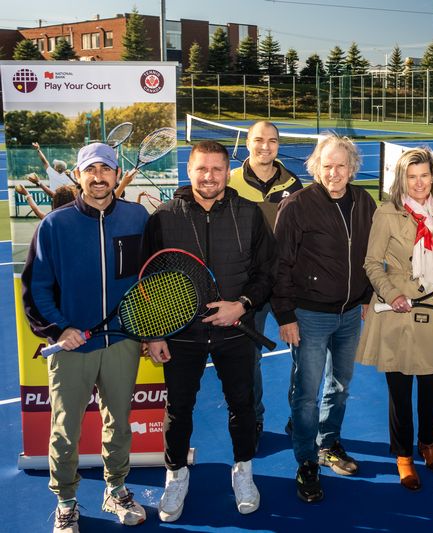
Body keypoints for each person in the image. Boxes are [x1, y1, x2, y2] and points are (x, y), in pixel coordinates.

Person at [142, 140, 275, 522]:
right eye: (202, 168)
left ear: (227, 171)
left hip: (235, 333)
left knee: (243, 406)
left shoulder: (248, 214)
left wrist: (243, 305)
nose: (209, 177)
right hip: (181, 336)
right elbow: (148, 280)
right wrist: (155, 333)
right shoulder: (164, 217)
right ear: (189, 170)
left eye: (217, 169)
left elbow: (267, 273)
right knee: (178, 409)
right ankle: (175, 474)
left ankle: (244, 471)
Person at [21, 142, 149, 532]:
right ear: (78, 176)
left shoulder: (137, 217)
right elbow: (37, 289)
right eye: (90, 170)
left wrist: (146, 331)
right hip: (72, 347)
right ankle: (66, 500)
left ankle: (117, 489)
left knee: (120, 423)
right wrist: (61, 329)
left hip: (122, 342)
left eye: (105, 169)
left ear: (115, 174)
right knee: (65, 429)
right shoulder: (54, 225)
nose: (98, 177)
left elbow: (148, 281)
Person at [272, 135, 376, 502]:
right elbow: (279, 265)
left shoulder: (365, 201)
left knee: (341, 385)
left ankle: (328, 442)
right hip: (309, 315)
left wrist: (365, 295)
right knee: (307, 395)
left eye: (341, 166)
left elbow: (369, 254)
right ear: (316, 167)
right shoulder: (297, 206)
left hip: (349, 314)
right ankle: (306, 460)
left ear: (352, 168)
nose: (334, 173)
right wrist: (285, 315)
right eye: (327, 166)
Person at [356, 148, 433, 490]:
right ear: (402, 180)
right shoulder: (386, 213)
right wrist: (392, 294)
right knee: (400, 392)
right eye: (411, 176)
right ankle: (404, 455)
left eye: (424, 175)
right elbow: (372, 263)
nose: (419, 183)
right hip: (397, 312)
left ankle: (427, 443)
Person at [228, 120, 304, 439]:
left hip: (287, 285)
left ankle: (299, 417)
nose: (265, 146)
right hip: (249, 286)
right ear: (247, 143)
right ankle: (253, 417)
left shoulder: (294, 182)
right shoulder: (230, 182)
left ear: (278, 145)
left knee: (304, 354)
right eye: (259, 140)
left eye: (271, 141)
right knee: (248, 358)